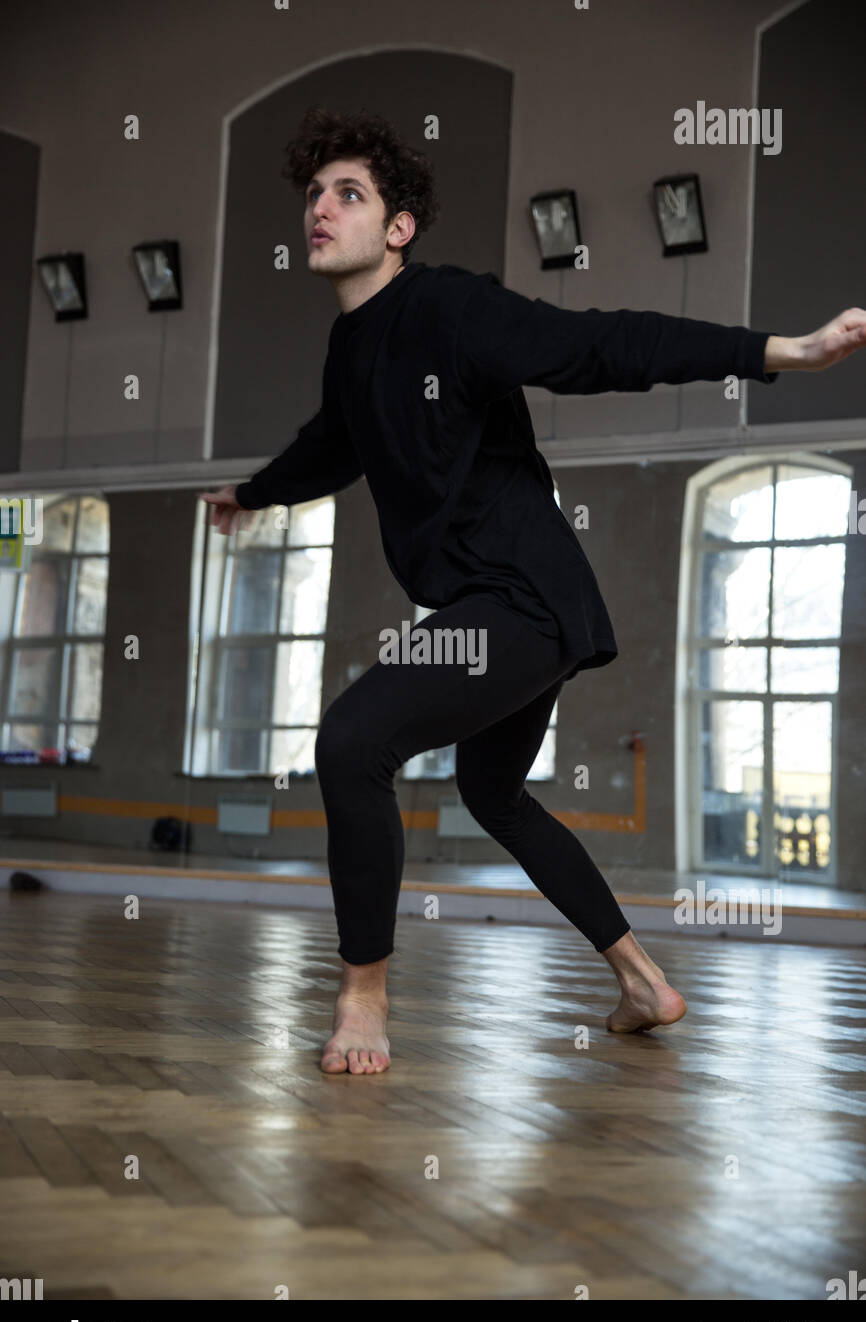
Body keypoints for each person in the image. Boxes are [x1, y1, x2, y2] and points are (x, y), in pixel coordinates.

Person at [200, 106, 866, 1076]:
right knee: (493, 791)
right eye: (312, 194)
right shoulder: (353, 348)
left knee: (351, 740)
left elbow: (599, 344)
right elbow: (332, 442)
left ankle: (363, 998)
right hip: (506, 607)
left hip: (517, 602)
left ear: (397, 227)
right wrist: (252, 493)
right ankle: (641, 980)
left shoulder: (448, 308)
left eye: (348, 194)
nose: (320, 209)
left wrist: (782, 353)